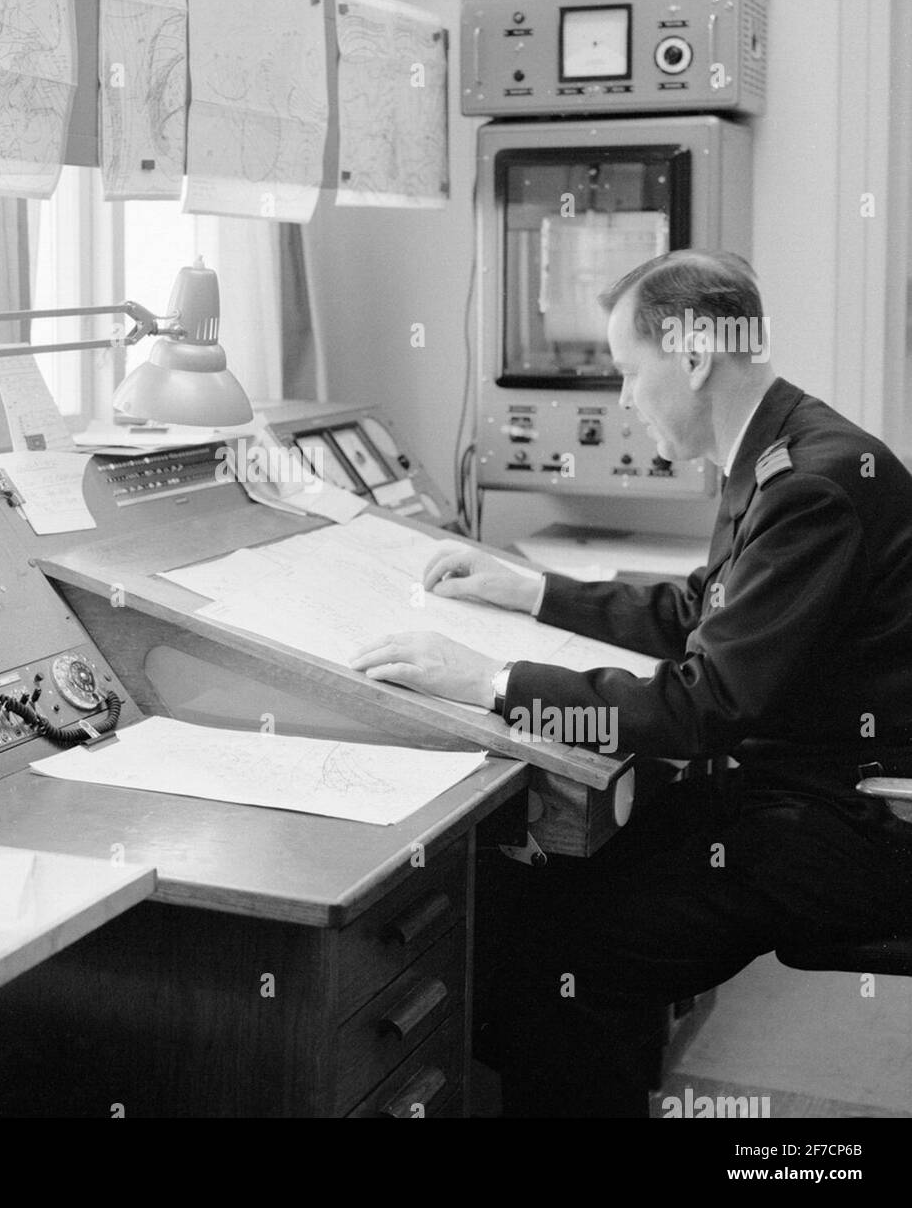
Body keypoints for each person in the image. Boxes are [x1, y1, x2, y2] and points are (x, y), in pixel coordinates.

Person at [352, 249, 912, 1117]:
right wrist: (530, 588)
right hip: (794, 787)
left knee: (558, 964)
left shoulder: (808, 484)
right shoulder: (786, 445)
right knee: (525, 895)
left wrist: (489, 679)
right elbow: (703, 608)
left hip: (843, 824)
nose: (622, 400)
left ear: (691, 358)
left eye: (627, 372)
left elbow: (702, 706)